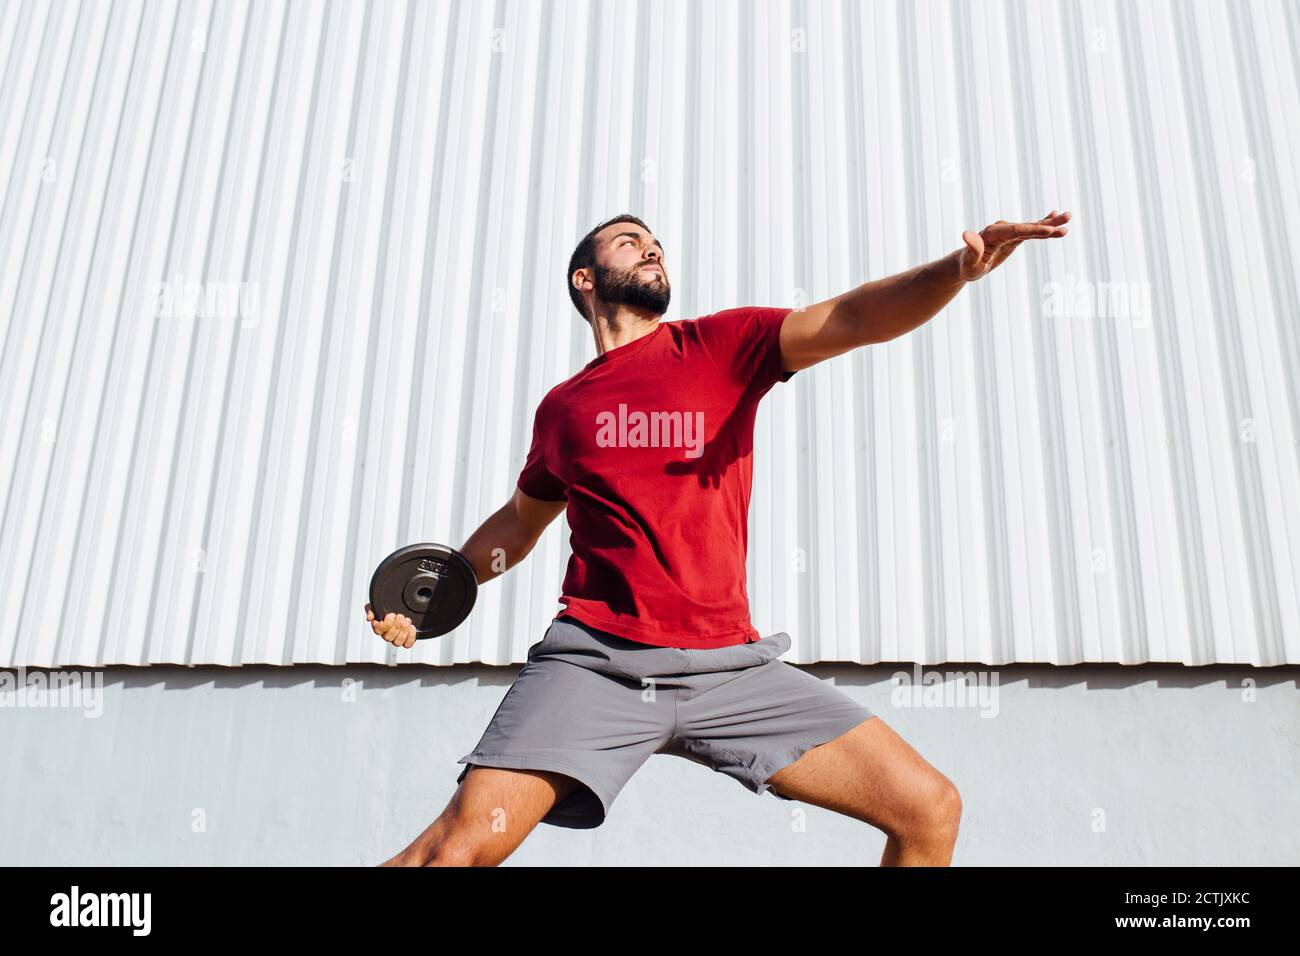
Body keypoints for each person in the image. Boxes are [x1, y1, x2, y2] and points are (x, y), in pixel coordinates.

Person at [370, 210, 1069, 866]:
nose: (650, 248)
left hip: (732, 672)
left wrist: (954, 270)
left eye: (656, 243)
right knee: (453, 851)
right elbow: (519, 525)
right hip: (595, 663)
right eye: (627, 239)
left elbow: (853, 317)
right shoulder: (564, 408)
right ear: (585, 279)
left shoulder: (723, 346)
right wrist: (438, 588)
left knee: (929, 807)